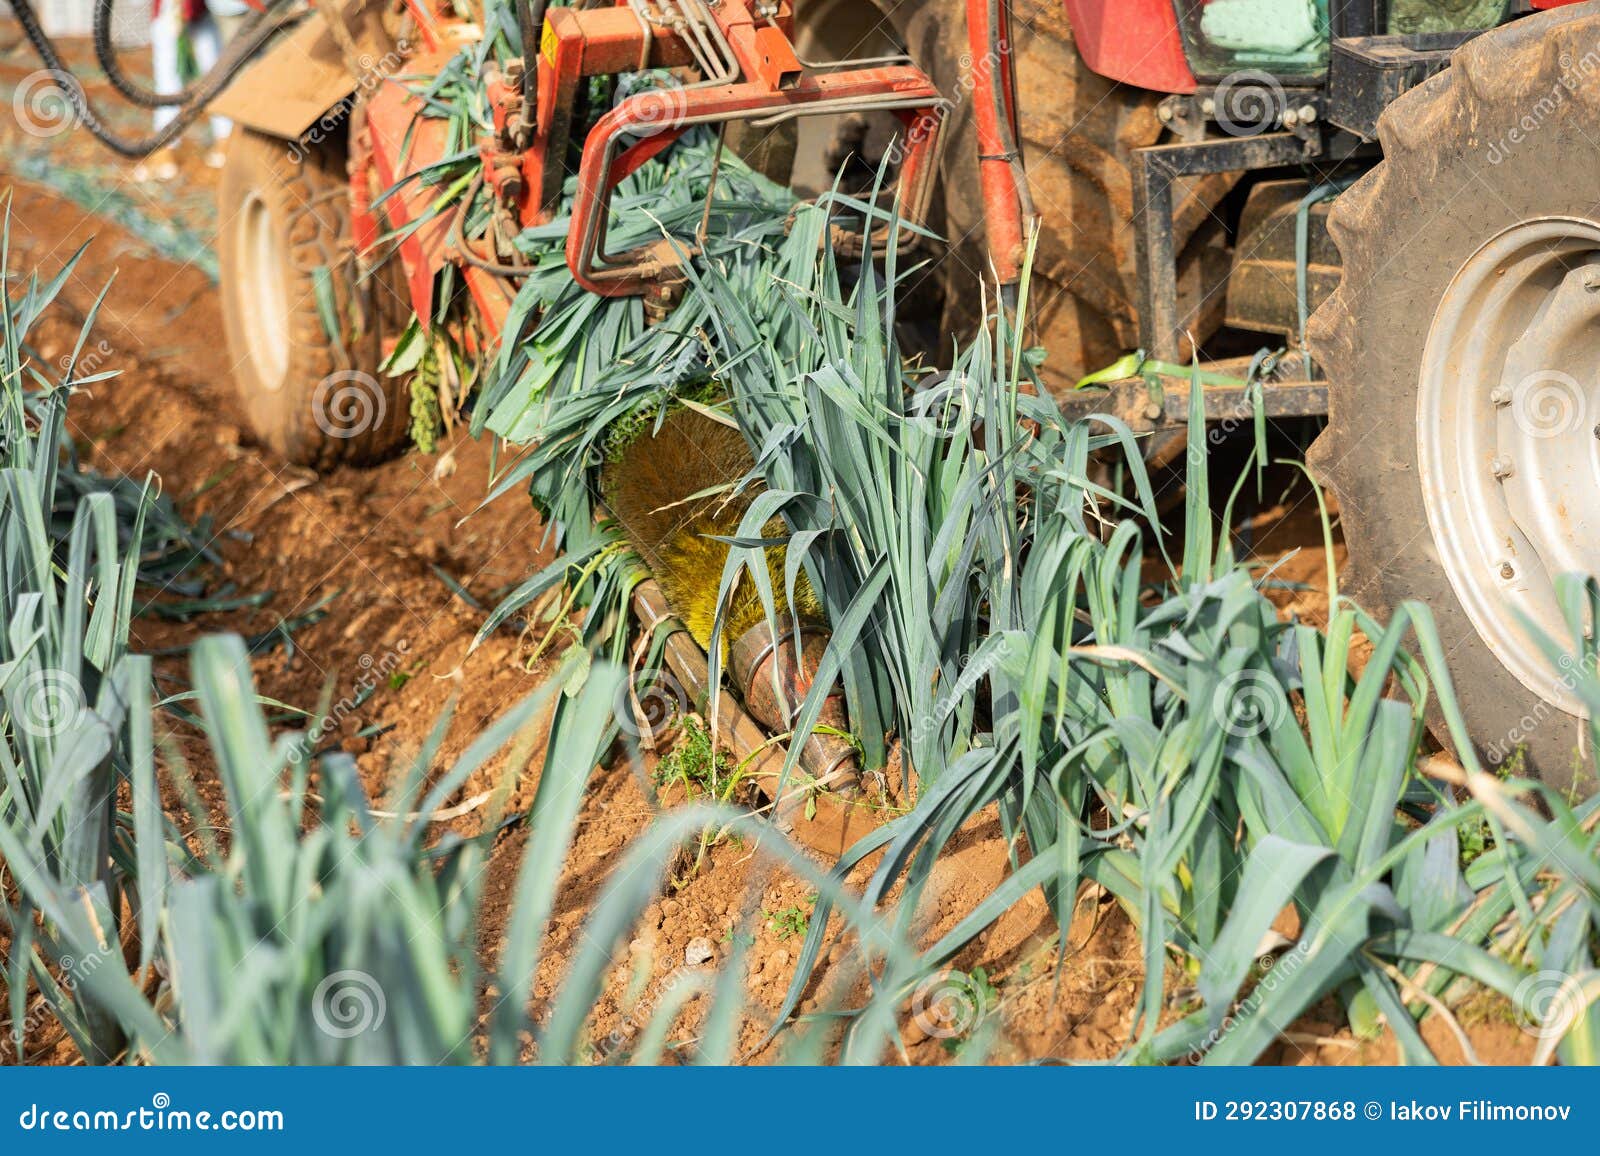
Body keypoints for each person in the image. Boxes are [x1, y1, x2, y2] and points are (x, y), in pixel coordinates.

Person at [134, 0, 248, 180]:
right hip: (173, 12)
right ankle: (167, 150)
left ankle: (225, 141)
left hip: (198, 11)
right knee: (172, 78)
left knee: (212, 73)